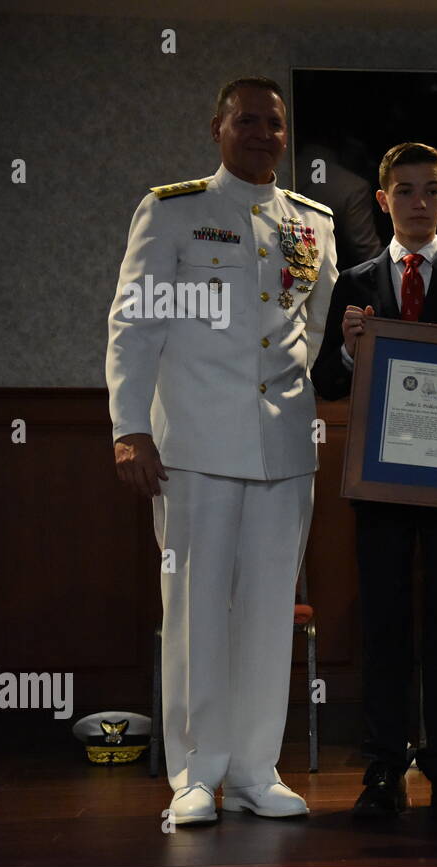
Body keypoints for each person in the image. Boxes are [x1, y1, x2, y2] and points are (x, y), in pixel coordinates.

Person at [105, 76, 337, 824]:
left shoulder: (312, 222)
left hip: (284, 445)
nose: (263, 133)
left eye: (274, 123)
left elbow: (319, 332)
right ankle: (195, 773)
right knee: (198, 607)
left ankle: (254, 766)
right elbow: (134, 324)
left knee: (270, 609)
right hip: (196, 444)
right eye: (247, 121)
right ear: (218, 127)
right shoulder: (173, 209)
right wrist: (128, 425)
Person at [311, 142, 437, 819]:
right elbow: (327, 383)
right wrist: (345, 344)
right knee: (386, 625)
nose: (417, 201)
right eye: (404, 190)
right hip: (381, 485)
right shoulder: (357, 281)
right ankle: (382, 767)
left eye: (430, 189)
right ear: (382, 199)